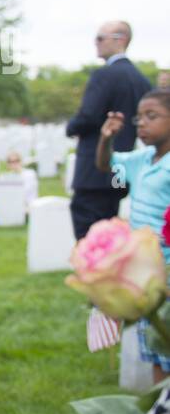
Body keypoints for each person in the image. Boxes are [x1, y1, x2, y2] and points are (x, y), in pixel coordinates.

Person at [96, 90, 170, 384]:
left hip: (166, 266)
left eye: (153, 117)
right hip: (144, 269)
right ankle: (156, 409)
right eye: (140, 117)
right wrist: (105, 137)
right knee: (152, 342)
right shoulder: (144, 159)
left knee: (164, 346)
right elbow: (106, 164)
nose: (142, 124)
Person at [67, 21, 149, 240]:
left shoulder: (104, 75)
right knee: (110, 230)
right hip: (121, 171)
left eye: (100, 38)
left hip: (95, 168)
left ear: (120, 39)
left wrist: (70, 127)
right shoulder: (141, 80)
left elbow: (88, 117)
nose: (96, 43)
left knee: (88, 235)